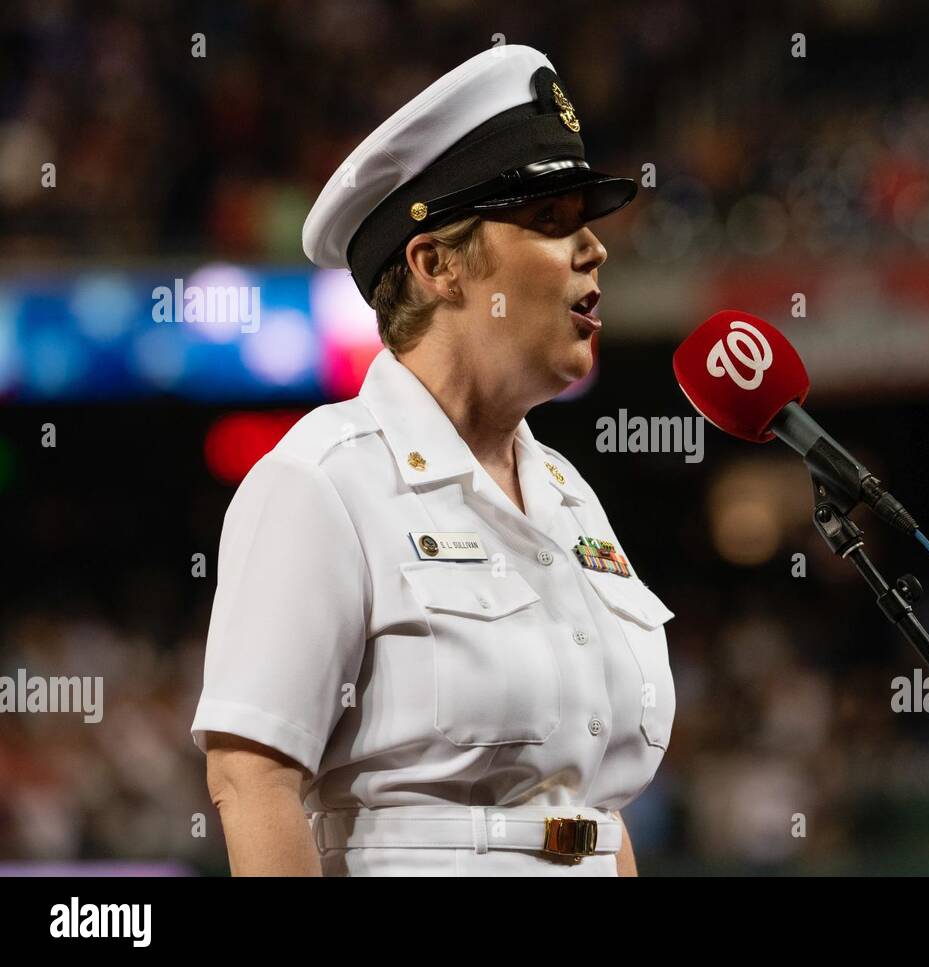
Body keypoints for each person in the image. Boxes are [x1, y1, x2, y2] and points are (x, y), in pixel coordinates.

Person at [190, 44, 676, 876]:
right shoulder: (323, 481)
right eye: (553, 220)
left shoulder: (570, 497)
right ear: (438, 264)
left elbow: (589, 808)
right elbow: (252, 777)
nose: (595, 248)